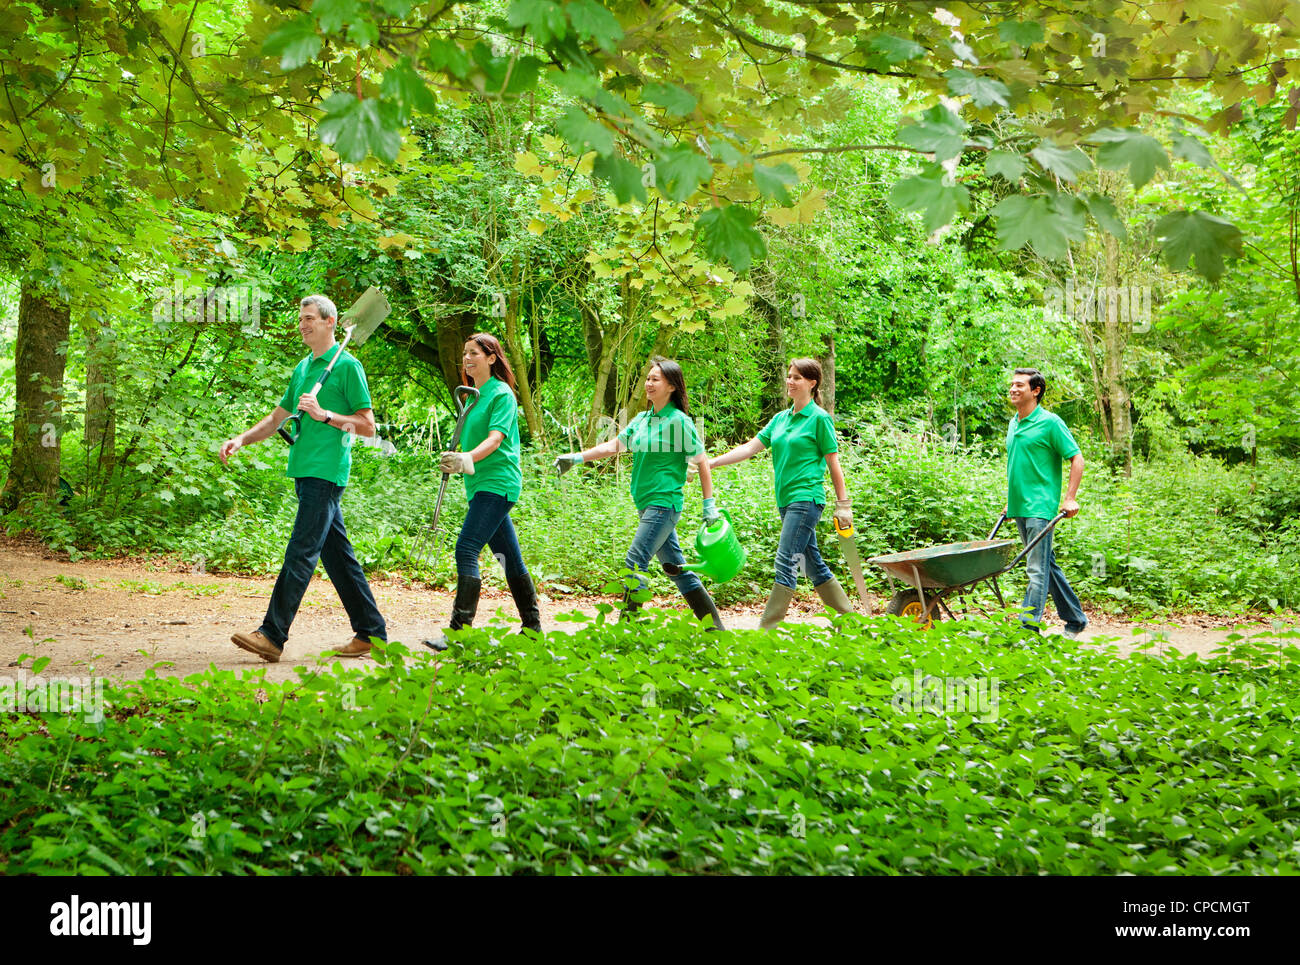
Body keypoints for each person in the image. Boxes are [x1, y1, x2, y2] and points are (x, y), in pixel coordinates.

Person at [220, 294, 387, 662]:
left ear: (331, 322)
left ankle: (272, 634)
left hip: (326, 472)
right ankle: (371, 632)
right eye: (300, 319)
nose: (302, 325)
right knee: (337, 556)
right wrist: (242, 439)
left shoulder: (347, 367)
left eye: (310, 318)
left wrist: (325, 414)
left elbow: (366, 426)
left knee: (301, 551)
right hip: (304, 469)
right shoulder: (303, 368)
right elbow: (278, 416)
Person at [554, 358, 726, 631]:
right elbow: (613, 446)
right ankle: (715, 630)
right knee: (676, 568)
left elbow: (702, 462)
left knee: (635, 561)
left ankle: (626, 631)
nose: (648, 383)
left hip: (664, 503)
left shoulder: (678, 422)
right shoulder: (643, 419)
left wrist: (709, 505)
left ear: (671, 386)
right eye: (647, 378)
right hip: (646, 505)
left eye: (655, 379)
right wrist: (576, 458)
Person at [710, 358, 854, 629]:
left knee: (786, 560)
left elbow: (834, 463)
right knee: (811, 564)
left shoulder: (819, 419)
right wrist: (713, 462)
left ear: (812, 383)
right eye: (789, 376)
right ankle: (850, 624)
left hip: (806, 498)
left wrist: (843, 504)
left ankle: (768, 630)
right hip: (786, 501)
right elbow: (750, 448)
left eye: (797, 377)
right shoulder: (780, 419)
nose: (790, 381)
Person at [422, 333, 540, 651]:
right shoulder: (474, 397)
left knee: (466, 549)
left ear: (491, 358)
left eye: (474, 352)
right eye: (464, 353)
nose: (466, 358)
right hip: (479, 485)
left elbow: (496, 438)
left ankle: (459, 634)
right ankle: (533, 628)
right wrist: (456, 458)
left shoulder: (500, 394)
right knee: (508, 559)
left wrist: (467, 458)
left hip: (498, 483)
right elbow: (472, 440)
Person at [1005, 367, 1087, 639]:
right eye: (1012, 385)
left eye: (1020, 385)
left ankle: (1026, 631)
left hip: (1040, 508)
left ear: (1035, 390)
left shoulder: (1050, 423)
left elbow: (1077, 458)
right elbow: (1021, 466)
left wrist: (1070, 497)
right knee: (1047, 566)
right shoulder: (1014, 422)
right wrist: (1011, 501)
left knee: (1036, 570)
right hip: (1019, 507)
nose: (1013, 389)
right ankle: (1075, 620)